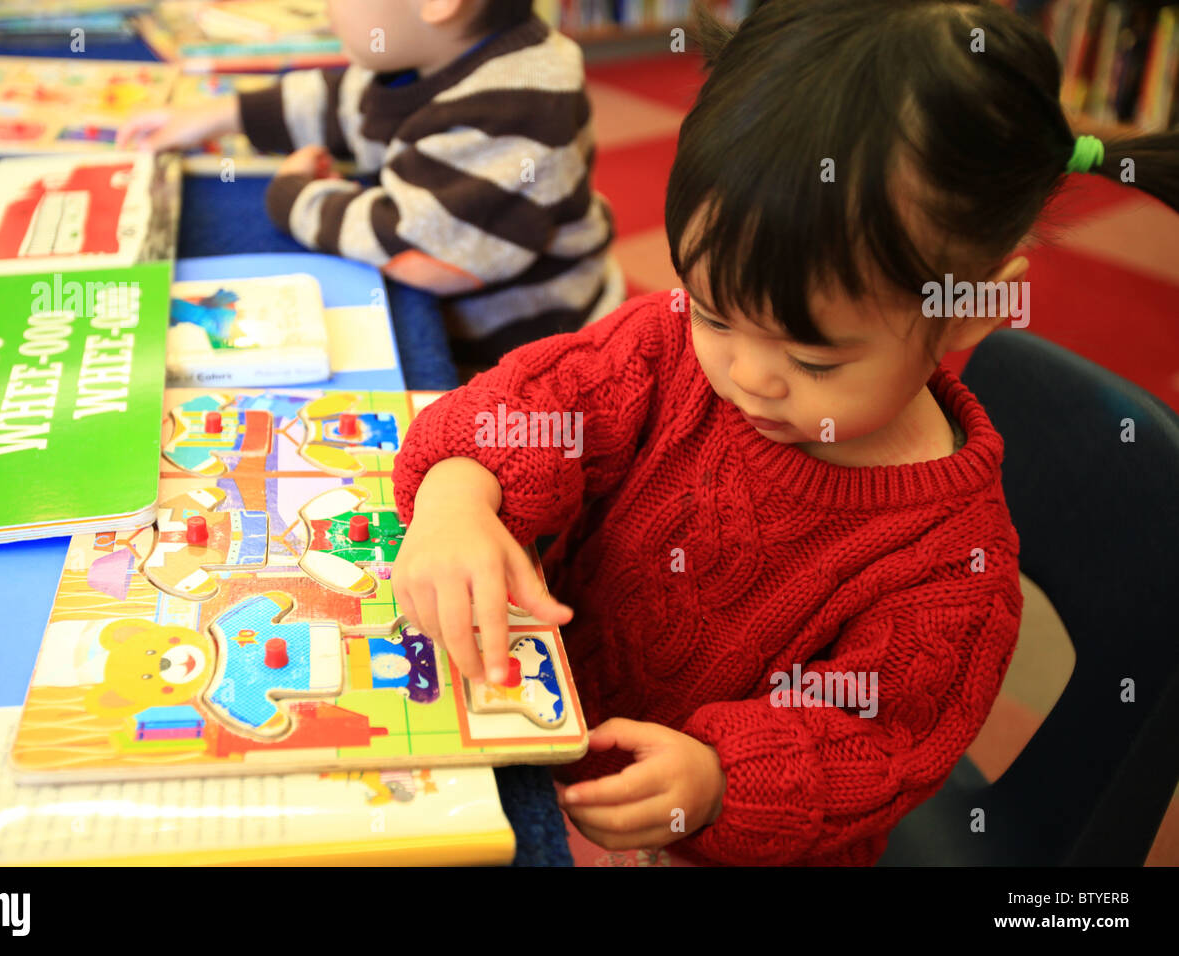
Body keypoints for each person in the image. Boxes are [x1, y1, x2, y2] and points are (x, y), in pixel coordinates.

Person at [385, 0, 1179, 864]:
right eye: (717, 314)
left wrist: (719, 781)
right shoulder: (665, 344)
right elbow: (538, 401)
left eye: (814, 359)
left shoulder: (955, 572)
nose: (748, 375)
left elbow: (872, 749)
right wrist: (461, 493)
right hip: (541, 729)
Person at [119, 0, 612, 369]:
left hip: (515, 344)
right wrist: (221, 115)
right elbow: (342, 100)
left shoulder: (514, 104)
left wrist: (298, 200)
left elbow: (422, 250)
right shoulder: (436, 51)